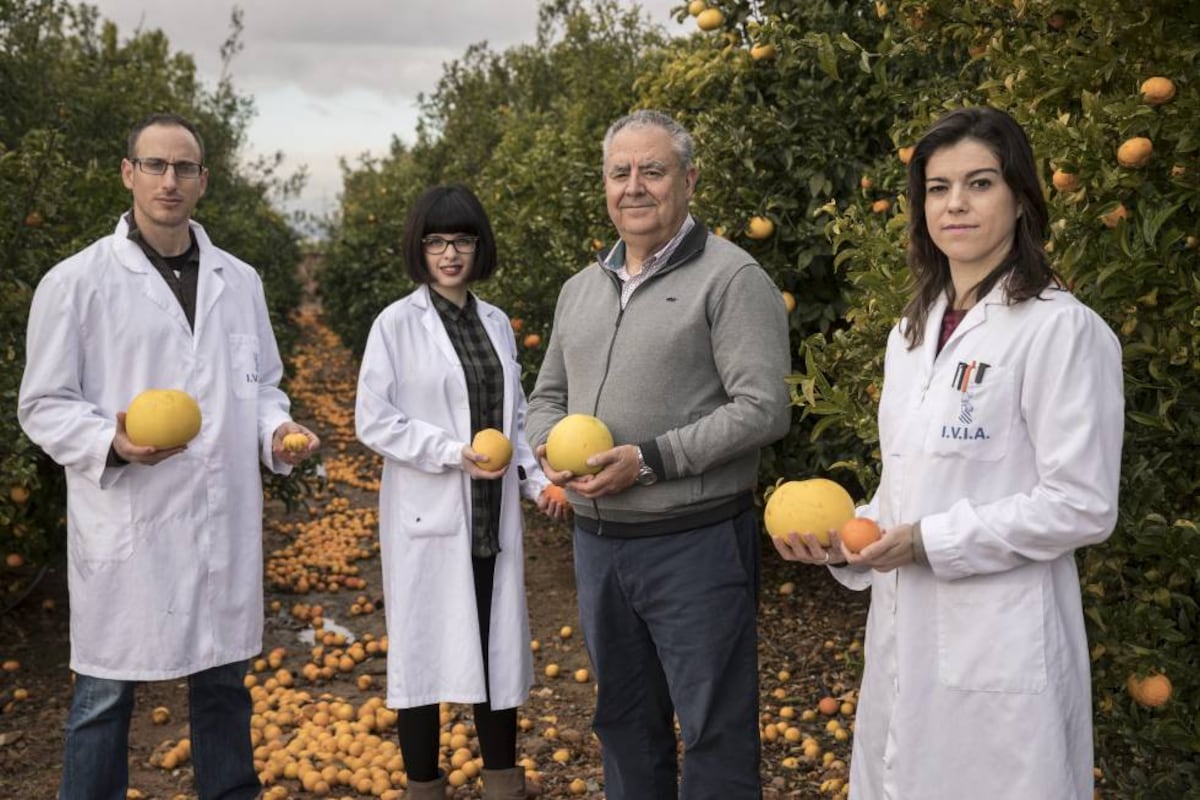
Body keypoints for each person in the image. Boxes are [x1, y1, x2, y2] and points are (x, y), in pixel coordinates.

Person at [773, 106, 1123, 800]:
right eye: (938, 188)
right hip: (907, 638)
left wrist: (929, 541)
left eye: (980, 183)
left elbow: (1082, 505)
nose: (955, 203)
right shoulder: (911, 334)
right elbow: (909, 483)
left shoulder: (1061, 331)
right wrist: (852, 540)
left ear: (1021, 199)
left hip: (1000, 640)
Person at [17, 112, 319, 800]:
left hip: (218, 522)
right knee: (103, 697)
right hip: (129, 524)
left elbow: (262, 385)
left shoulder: (239, 280)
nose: (169, 180)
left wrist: (277, 432)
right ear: (128, 174)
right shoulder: (77, 283)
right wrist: (111, 445)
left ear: (204, 181)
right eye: (154, 165)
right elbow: (43, 403)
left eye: (184, 168)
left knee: (223, 689)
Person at [526, 110, 792, 799]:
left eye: (653, 170)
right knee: (623, 721)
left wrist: (649, 459)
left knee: (713, 729)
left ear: (689, 179)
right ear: (605, 185)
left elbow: (762, 407)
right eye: (621, 172)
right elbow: (545, 398)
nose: (634, 187)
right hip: (598, 544)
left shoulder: (732, 279)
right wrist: (547, 448)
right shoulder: (581, 289)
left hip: (695, 544)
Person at [355, 184, 567, 800]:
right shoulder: (396, 324)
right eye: (437, 242)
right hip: (429, 519)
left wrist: (537, 482)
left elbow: (516, 418)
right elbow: (374, 419)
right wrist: (451, 453)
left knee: (496, 660)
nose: (450, 254)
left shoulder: (494, 321)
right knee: (421, 663)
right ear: (419, 249)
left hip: (488, 520)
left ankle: (502, 785)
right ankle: (424, 787)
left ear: (480, 247)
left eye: (463, 241)